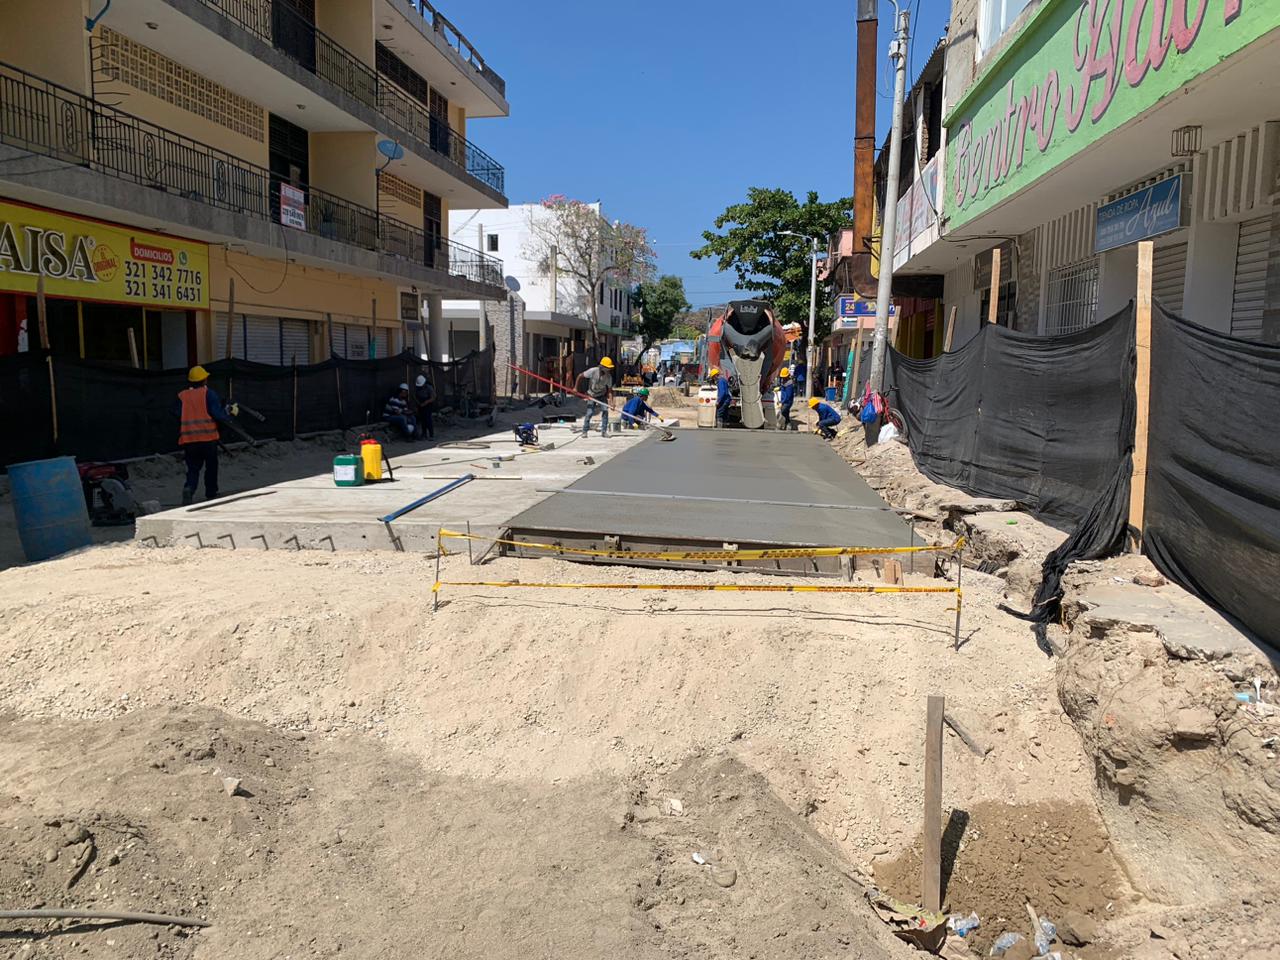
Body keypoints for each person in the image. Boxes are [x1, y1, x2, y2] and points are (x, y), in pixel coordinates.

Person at [175, 365, 235, 505]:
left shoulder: (182, 396)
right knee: (211, 466)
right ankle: (211, 492)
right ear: (204, 380)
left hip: (189, 439)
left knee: (193, 468)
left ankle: (189, 488)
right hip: (208, 439)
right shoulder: (208, 394)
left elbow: (176, 413)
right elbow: (217, 414)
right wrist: (228, 413)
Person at [576, 356, 614, 436]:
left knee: (605, 411)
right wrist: (575, 388)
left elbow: (610, 390)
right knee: (589, 413)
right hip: (592, 395)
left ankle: (604, 432)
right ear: (603, 367)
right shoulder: (593, 371)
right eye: (608, 368)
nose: (609, 370)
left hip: (602, 395)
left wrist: (611, 402)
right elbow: (580, 376)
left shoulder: (608, 377)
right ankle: (584, 431)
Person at [412, 373, 435, 441]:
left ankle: (431, 434)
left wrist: (426, 402)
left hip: (428, 404)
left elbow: (433, 397)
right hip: (420, 404)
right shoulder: (417, 388)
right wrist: (417, 403)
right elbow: (414, 396)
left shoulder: (429, 387)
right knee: (422, 419)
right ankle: (424, 433)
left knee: (428, 419)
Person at [777, 366, 796, 431]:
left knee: (783, 411)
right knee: (786, 413)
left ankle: (779, 425)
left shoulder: (789, 384)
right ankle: (788, 425)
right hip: (784, 401)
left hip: (788, 402)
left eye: (784, 377)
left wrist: (782, 402)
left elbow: (788, 396)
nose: (783, 378)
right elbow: (783, 391)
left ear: (787, 376)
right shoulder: (784, 382)